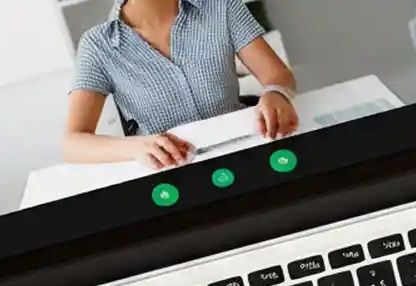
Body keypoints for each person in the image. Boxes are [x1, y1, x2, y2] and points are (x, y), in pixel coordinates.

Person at [63, 0, 299, 169]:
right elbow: (73, 143)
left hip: (244, 153)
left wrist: (276, 93)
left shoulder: (222, 6)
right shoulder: (97, 46)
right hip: (169, 175)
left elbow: (277, 76)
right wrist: (135, 147)